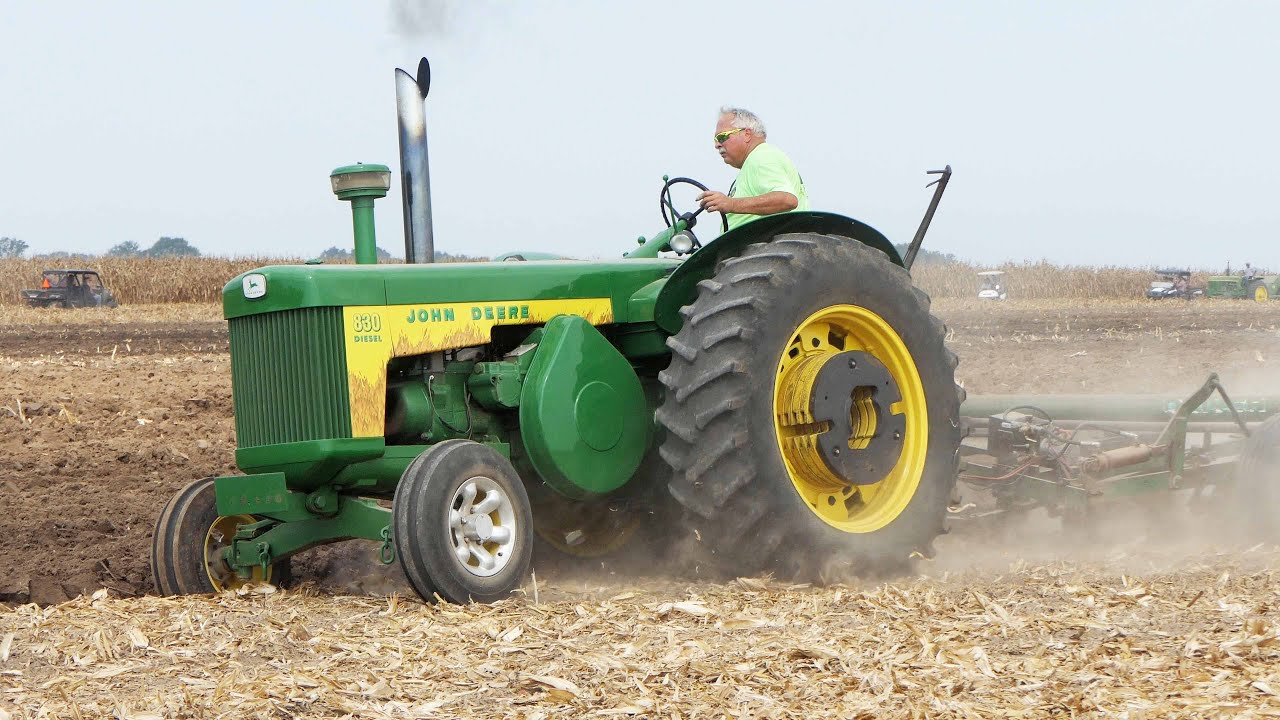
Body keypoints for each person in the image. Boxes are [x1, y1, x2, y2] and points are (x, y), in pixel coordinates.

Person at [697, 107, 808, 231]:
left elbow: (787, 200)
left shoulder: (760, 156)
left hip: (765, 245)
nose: (717, 145)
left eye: (722, 137)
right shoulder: (754, 162)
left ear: (747, 134)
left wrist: (730, 203)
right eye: (716, 140)